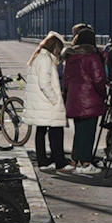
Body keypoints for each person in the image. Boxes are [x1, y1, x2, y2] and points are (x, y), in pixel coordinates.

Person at [21, 31, 70, 168]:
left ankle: (43, 160)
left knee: (41, 131)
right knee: (56, 130)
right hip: (46, 102)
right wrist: (55, 99)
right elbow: (44, 83)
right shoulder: (45, 59)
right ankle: (58, 161)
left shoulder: (39, 57)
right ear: (55, 47)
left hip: (40, 102)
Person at [63, 23, 108, 170]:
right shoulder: (92, 57)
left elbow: (66, 80)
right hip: (90, 99)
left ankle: (75, 160)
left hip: (74, 99)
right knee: (89, 132)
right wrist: (103, 94)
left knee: (79, 132)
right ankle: (86, 163)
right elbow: (98, 79)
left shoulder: (71, 57)